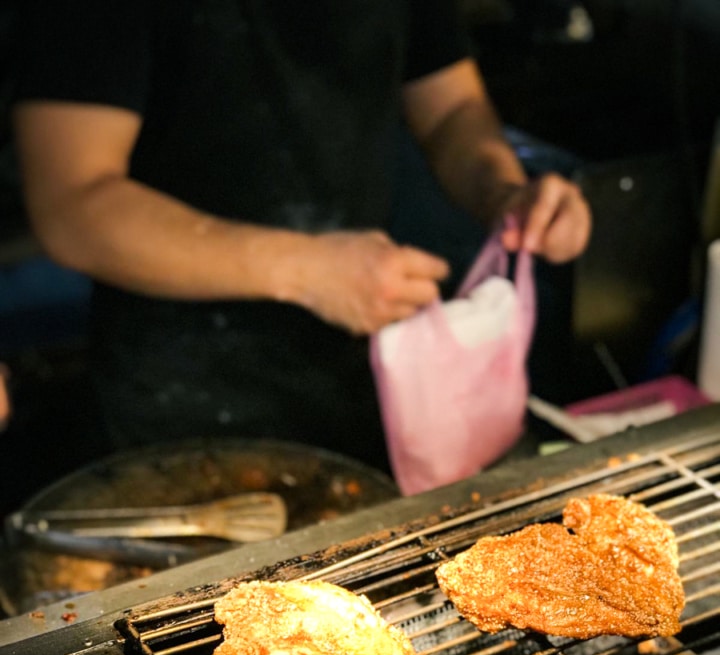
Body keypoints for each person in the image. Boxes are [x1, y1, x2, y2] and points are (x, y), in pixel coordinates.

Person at [10, 0, 591, 475]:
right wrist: (308, 271)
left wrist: (504, 193)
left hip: (363, 375)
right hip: (180, 402)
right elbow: (72, 205)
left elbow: (452, 109)